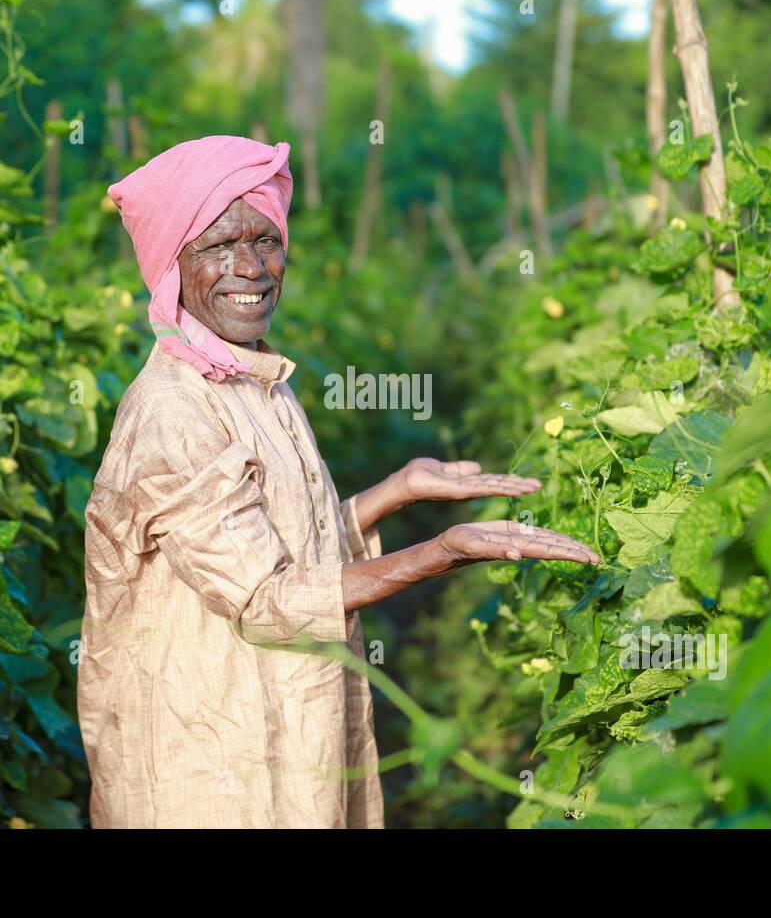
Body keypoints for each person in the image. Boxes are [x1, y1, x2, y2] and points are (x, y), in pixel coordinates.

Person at [78, 135, 599, 829]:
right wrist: (441, 553)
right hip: (203, 761)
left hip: (281, 730)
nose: (251, 268)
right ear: (171, 264)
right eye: (217, 247)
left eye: (266, 240)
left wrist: (399, 490)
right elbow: (267, 598)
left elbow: (282, 546)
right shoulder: (174, 410)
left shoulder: (252, 377)